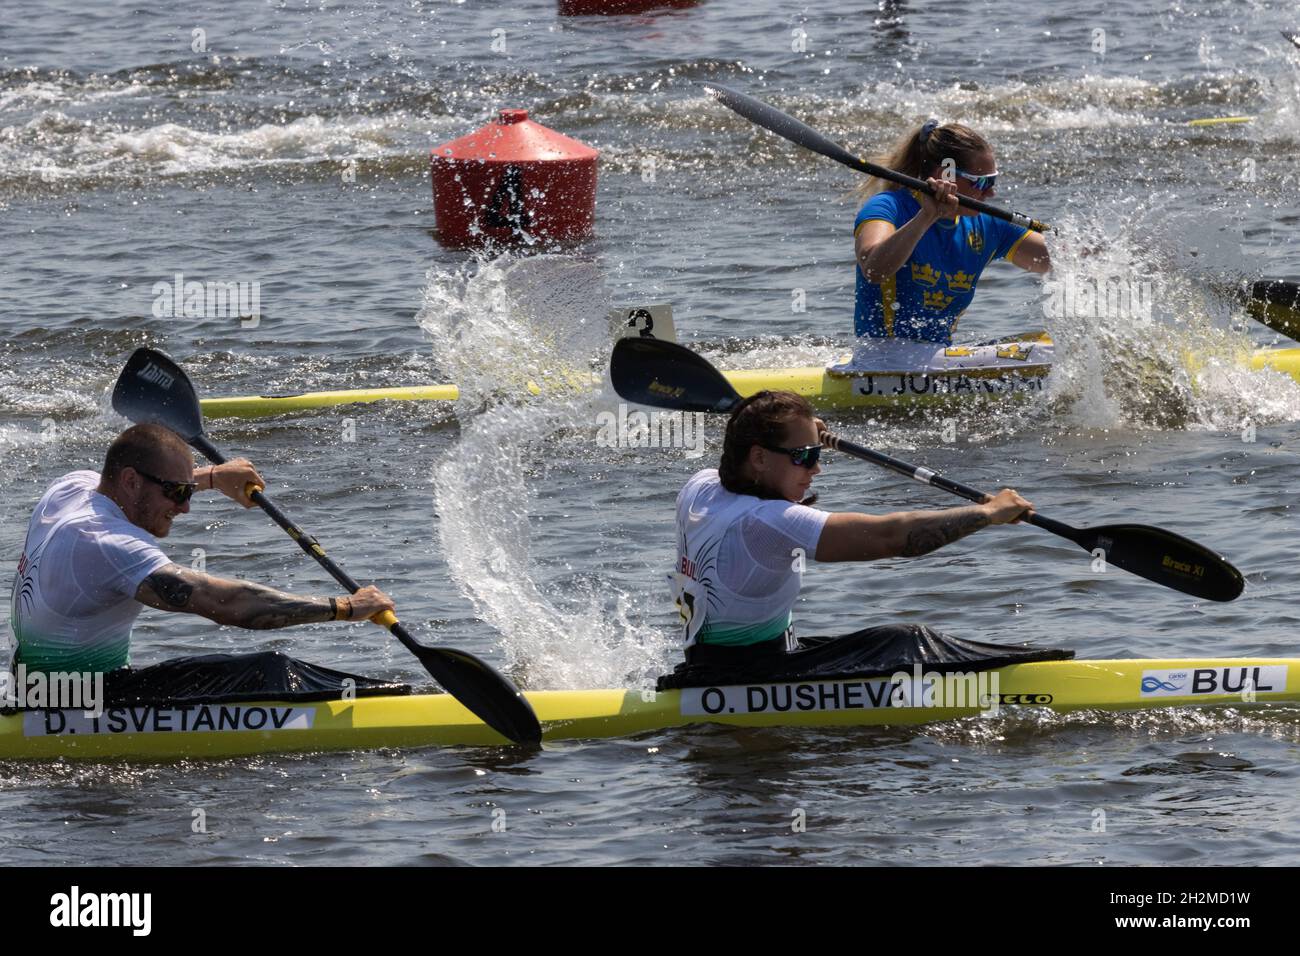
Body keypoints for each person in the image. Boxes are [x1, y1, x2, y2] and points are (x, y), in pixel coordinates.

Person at [666, 391, 1033, 675]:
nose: (818, 468)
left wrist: (801, 437)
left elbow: (743, 455)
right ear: (759, 458)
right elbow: (895, 538)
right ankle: (1025, 675)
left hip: (709, 660)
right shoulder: (769, 520)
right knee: (909, 641)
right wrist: (988, 513)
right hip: (750, 673)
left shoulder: (702, 486)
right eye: (806, 456)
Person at [10, 423, 395, 680]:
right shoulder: (108, 545)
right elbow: (226, 604)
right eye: (177, 494)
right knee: (269, 672)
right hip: (80, 703)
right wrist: (343, 608)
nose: (185, 507)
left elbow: (132, 480)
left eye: (187, 492)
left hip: (38, 687)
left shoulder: (71, 489)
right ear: (129, 480)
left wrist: (212, 477)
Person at [854, 119, 1051, 345]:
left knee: (1046, 344)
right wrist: (926, 217)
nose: (991, 193)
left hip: (936, 360)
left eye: (993, 180)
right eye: (981, 183)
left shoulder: (990, 225)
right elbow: (874, 269)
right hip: (879, 359)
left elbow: (1058, 260)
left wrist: (1093, 255)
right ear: (946, 175)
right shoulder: (888, 207)